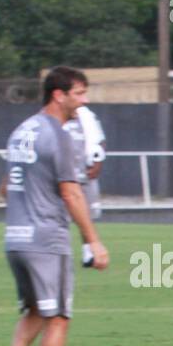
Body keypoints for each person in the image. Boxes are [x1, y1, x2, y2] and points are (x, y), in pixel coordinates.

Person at [0, 66, 110, 346]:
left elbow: (5, 187)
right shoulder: (59, 135)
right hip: (47, 238)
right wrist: (93, 240)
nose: (84, 101)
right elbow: (71, 193)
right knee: (59, 315)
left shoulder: (21, 130)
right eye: (79, 93)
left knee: (35, 310)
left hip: (15, 236)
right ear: (59, 95)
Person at [65, 102, 107, 264]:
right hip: (61, 177)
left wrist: (98, 161)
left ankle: (88, 252)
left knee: (87, 215)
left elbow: (100, 141)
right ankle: (61, 253)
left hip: (84, 175)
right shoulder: (52, 118)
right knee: (59, 217)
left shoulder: (87, 117)